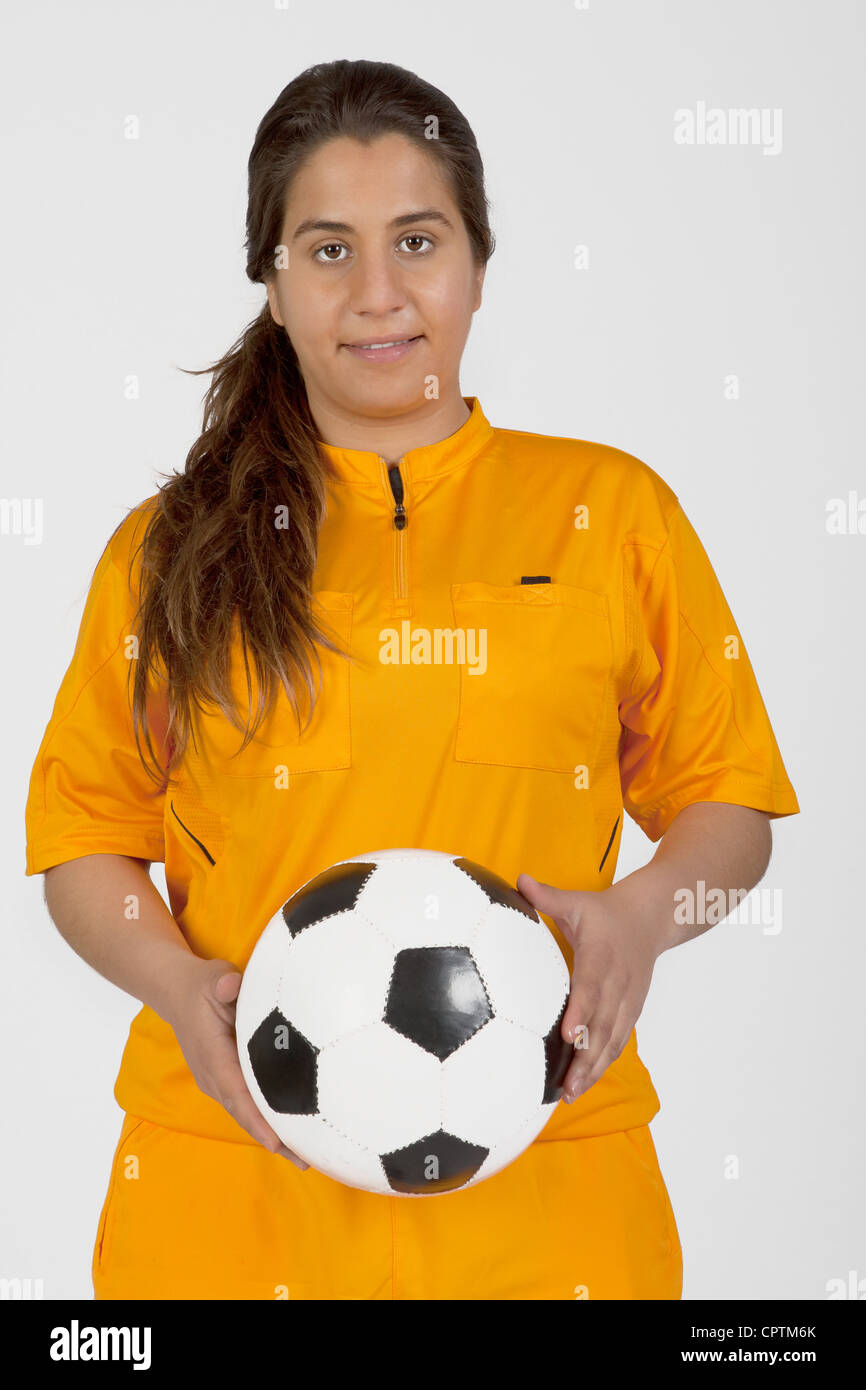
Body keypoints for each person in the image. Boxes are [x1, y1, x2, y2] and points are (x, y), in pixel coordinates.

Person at [24, 58, 799, 1301]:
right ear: (270, 284)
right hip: (226, 1193)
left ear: (478, 264)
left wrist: (644, 916)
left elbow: (732, 810)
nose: (378, 294)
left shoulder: (612, 513)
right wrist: (179, 987)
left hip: (552, 1192)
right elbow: (80, 843)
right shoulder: (167, 549)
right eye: (325, 250)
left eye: (417, 241)